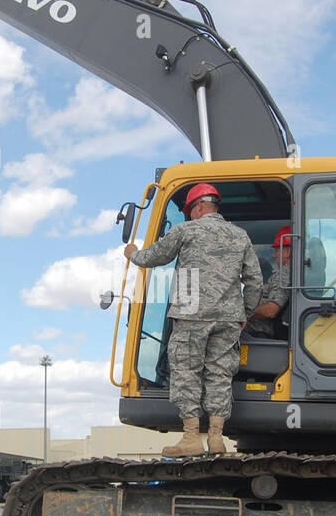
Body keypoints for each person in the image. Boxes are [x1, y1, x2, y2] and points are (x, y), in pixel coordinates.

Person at [125, 182, 261, 456]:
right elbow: (255, 281)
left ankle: (190, 438)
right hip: (228, 317)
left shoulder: (187, 230)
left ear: (199, 206)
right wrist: (243, 314)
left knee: (187, 371)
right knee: (220, 374)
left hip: (191, 309)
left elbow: (154, 256)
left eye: (190, 210)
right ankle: (216, 438)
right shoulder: (240, 235)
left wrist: (132, 254)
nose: (190, 215)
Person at [246, 226, 292, 338]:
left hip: (261, 329)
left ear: (288, 252)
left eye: (277, 250)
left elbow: (271, 311)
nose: (274, 255)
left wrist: (239, 312)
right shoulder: (288, 273)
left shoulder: (285, 274)